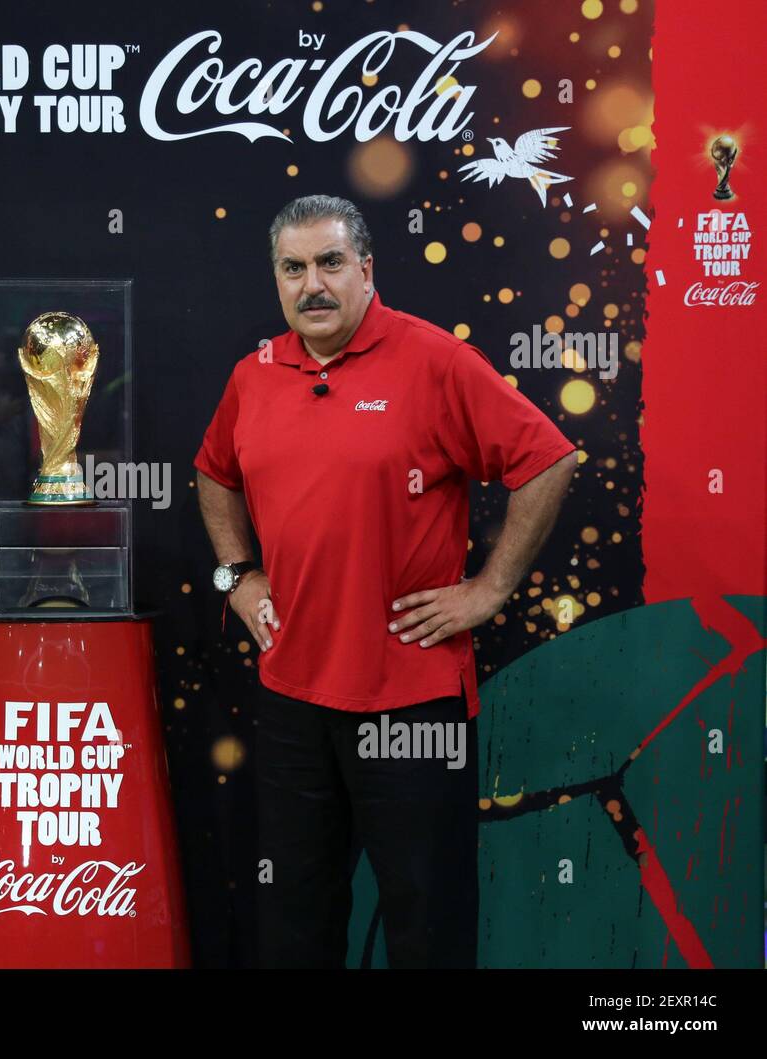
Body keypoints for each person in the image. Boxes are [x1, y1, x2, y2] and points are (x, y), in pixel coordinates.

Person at [194, 195, 577, 968]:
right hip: (293, 696)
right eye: (293, 268)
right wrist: (236, 574)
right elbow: (212, 471)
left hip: (410, 701)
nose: (313, 285)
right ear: (276, 279)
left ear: (367, 269)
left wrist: (489, 588)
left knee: (427, 924)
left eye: (331, 263)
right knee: (296, 920)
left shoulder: (432, 359)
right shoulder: (255, 373)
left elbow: (548, 456)